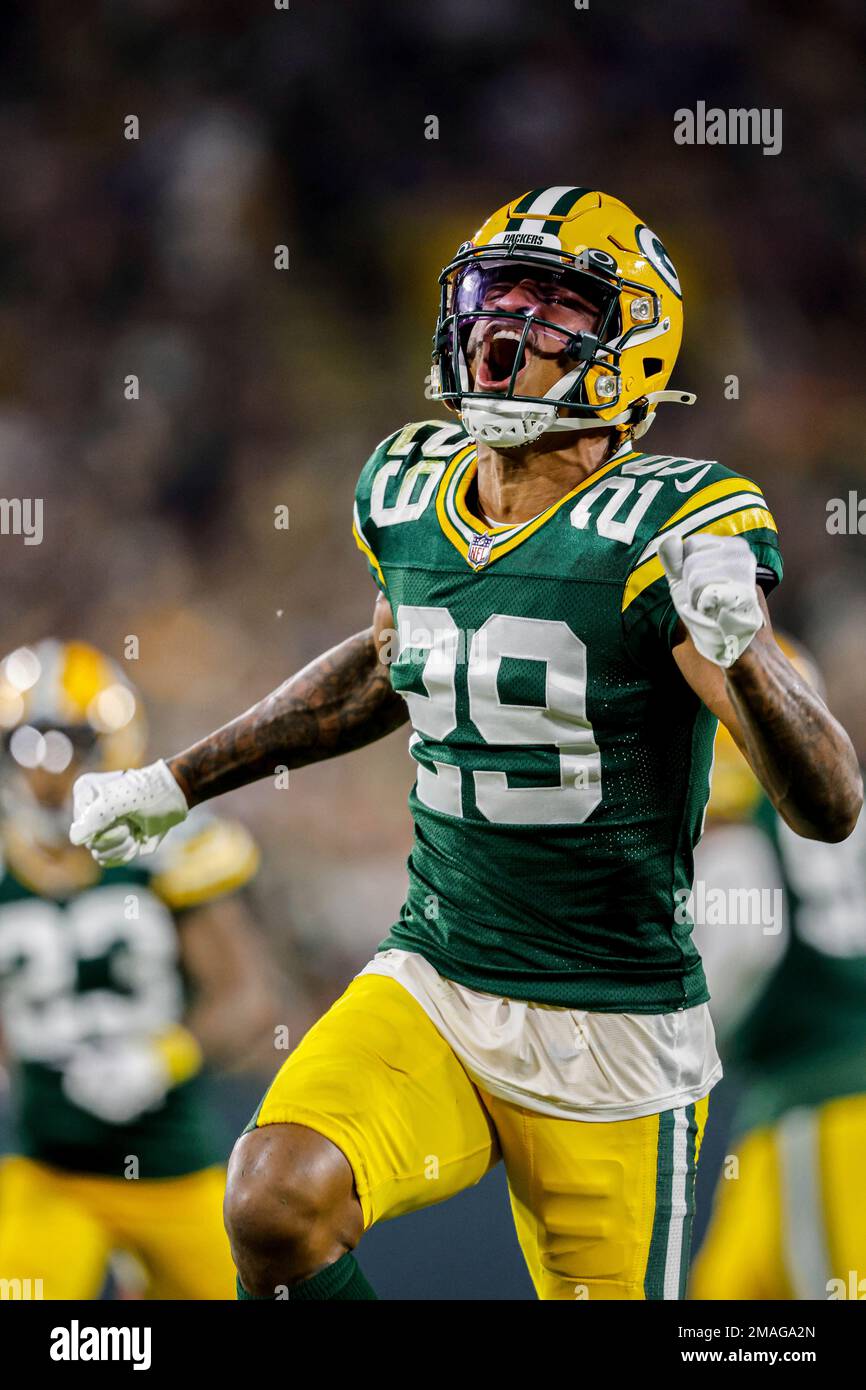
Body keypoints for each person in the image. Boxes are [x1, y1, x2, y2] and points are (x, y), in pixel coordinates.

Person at [69, 187, 862, 1301]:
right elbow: (389, 661)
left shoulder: (673, 525)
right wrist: (179, 778)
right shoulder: (408, 485)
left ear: (627, 348)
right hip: (437, 971)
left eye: (552, 305)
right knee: (272, 1196)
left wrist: (743, 657)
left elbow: (825, 804)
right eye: (496, 292)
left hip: (612, 1021)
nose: (504, 323)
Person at [0, 640, 274, 1299]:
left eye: (65, 745)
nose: (43, 773)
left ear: (113, 745)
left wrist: (165, 1057)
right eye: (24, 747)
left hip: (171, 1166)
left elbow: (248, 999)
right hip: (46, 1169)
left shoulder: (168, 850)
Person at [689, 642, 866, 1300]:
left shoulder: (744, 827)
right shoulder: (841, 803)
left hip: (822, 1108)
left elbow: (741, 948)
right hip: (786, 1110)